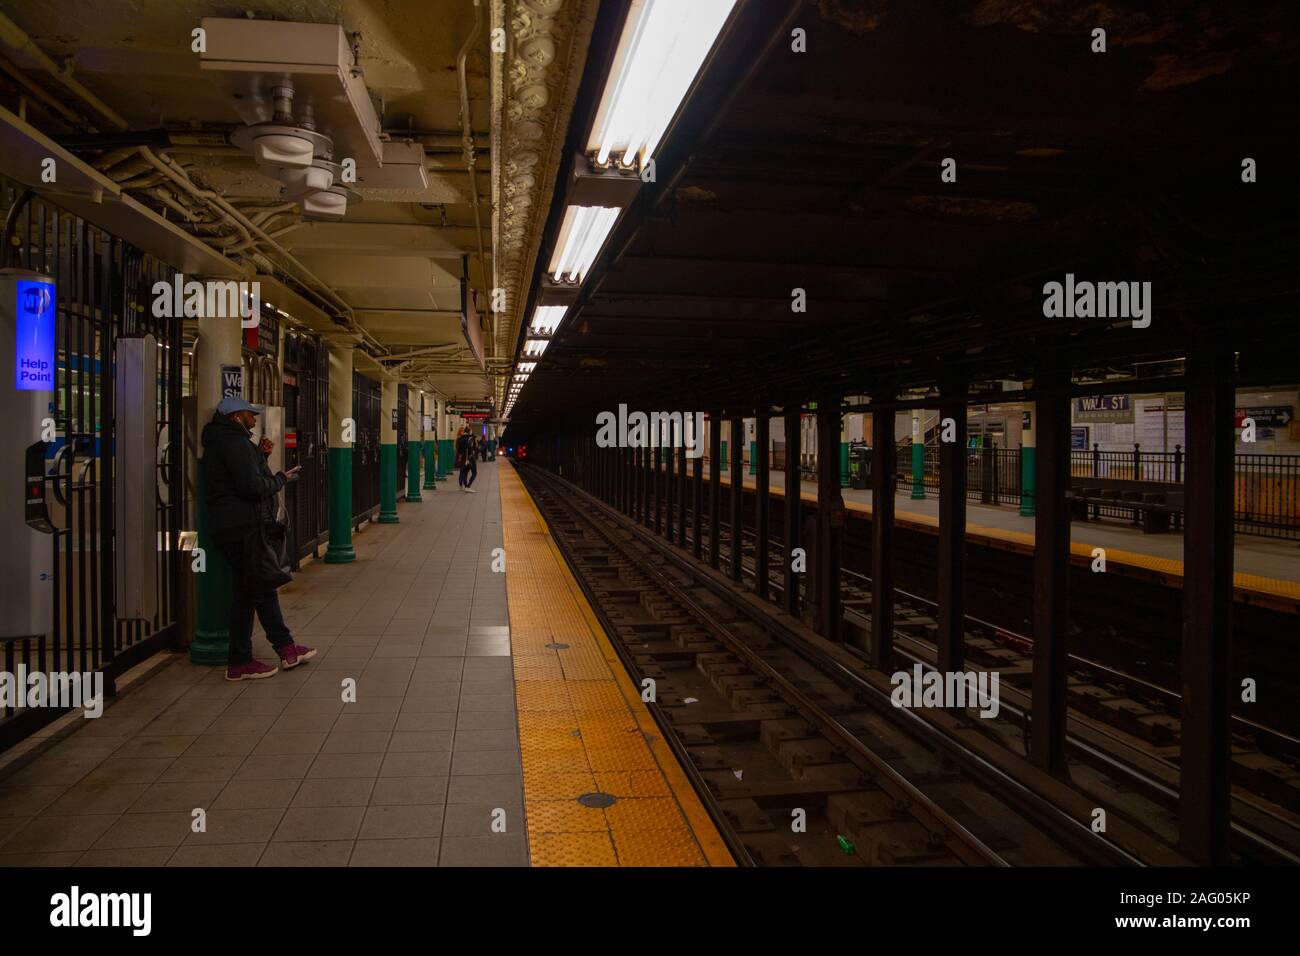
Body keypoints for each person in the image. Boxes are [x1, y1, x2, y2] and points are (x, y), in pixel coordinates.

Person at [202, 396, 316, 681]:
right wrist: (281, 479)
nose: (254, 419)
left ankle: (285, 648)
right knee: (252, 592)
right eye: (249, 415)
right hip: (242, 528)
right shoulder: (234, 442)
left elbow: (238, 477)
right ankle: (242, 661)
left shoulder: (224, 442)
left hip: (233, 526)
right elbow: (252, 487)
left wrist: (261, 457)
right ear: (236, 416)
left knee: (257, 590)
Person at [457, 426, 478, 493]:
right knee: (474, 473)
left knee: (465, 472)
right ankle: (468, 486)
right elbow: (473, 448)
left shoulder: (460, 439)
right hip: (470, 458)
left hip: (464, 458)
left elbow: (459, 450)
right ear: (469, 431)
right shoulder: (470, 439)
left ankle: (464, 486)